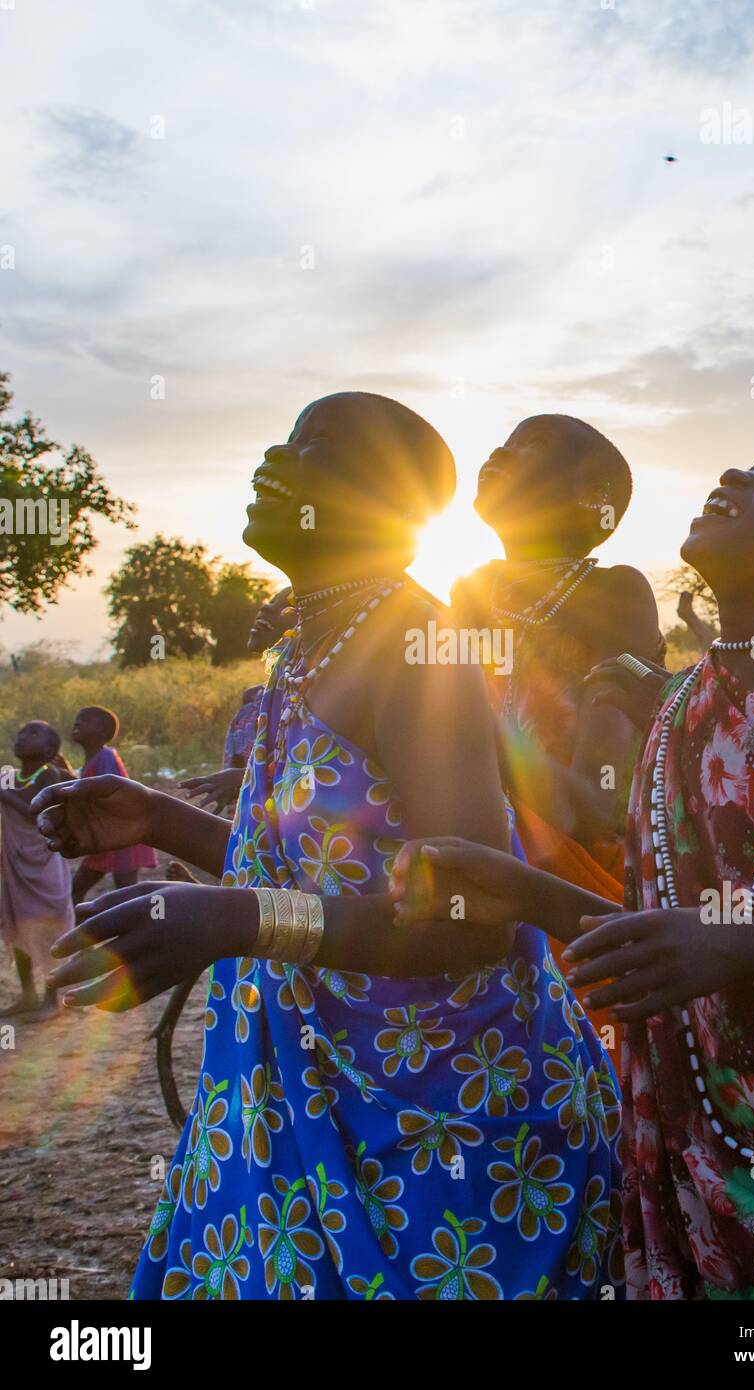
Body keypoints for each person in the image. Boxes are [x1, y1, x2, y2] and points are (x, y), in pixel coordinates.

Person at [35, 391, 622, 1301]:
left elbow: (469, 916)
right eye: (283, 438)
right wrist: (155, 819)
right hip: (309, 1090)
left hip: (438, 1117)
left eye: (316, 448)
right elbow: (313, 875)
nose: (277, 458)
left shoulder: (414, 648)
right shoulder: (304, 652)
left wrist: (232, 920)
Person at [389, 437, 754, 1299]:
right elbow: (670, 942)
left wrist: (746, 946)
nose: (735, 473)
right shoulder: (675, 709)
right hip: (697, 1151)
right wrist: (522, 891)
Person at [451, 414, 660, 1054]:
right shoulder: (468, 591)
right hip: (474, 834)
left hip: (573, 866)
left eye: (532, 446)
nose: (499, 449)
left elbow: (601, 799)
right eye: (504, 438)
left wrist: (466, 732)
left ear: (590, 501)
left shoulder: (614, 590)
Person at [180, 588, 293, 816]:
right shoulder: (253, 698)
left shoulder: (314, 696)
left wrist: (244, 778)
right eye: (271, 601)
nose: (266, 608)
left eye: (286, 606)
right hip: (249, 828)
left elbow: (318, 771)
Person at [0, 722, 74, 1021]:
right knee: (20, 927)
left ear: (48, 750)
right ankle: (28, 994)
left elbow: (29, 807)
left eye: (31, 733)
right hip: (13, 867)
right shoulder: (9, 776)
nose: (21, 736)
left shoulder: (48, 775)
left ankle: (51, 999)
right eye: (20, 732)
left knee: (46, 930)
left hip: (42, 866)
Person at [69, 707, 159, 904]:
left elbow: (108, 796)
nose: (77, 722)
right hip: (105, 839)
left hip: (122, 836)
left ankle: (139, 929)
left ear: (101, 730)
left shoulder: (105, 757)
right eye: (77, 718)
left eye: (85, 719)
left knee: (126, 895)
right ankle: (79, 932)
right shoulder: (92, 761)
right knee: (76, 891)